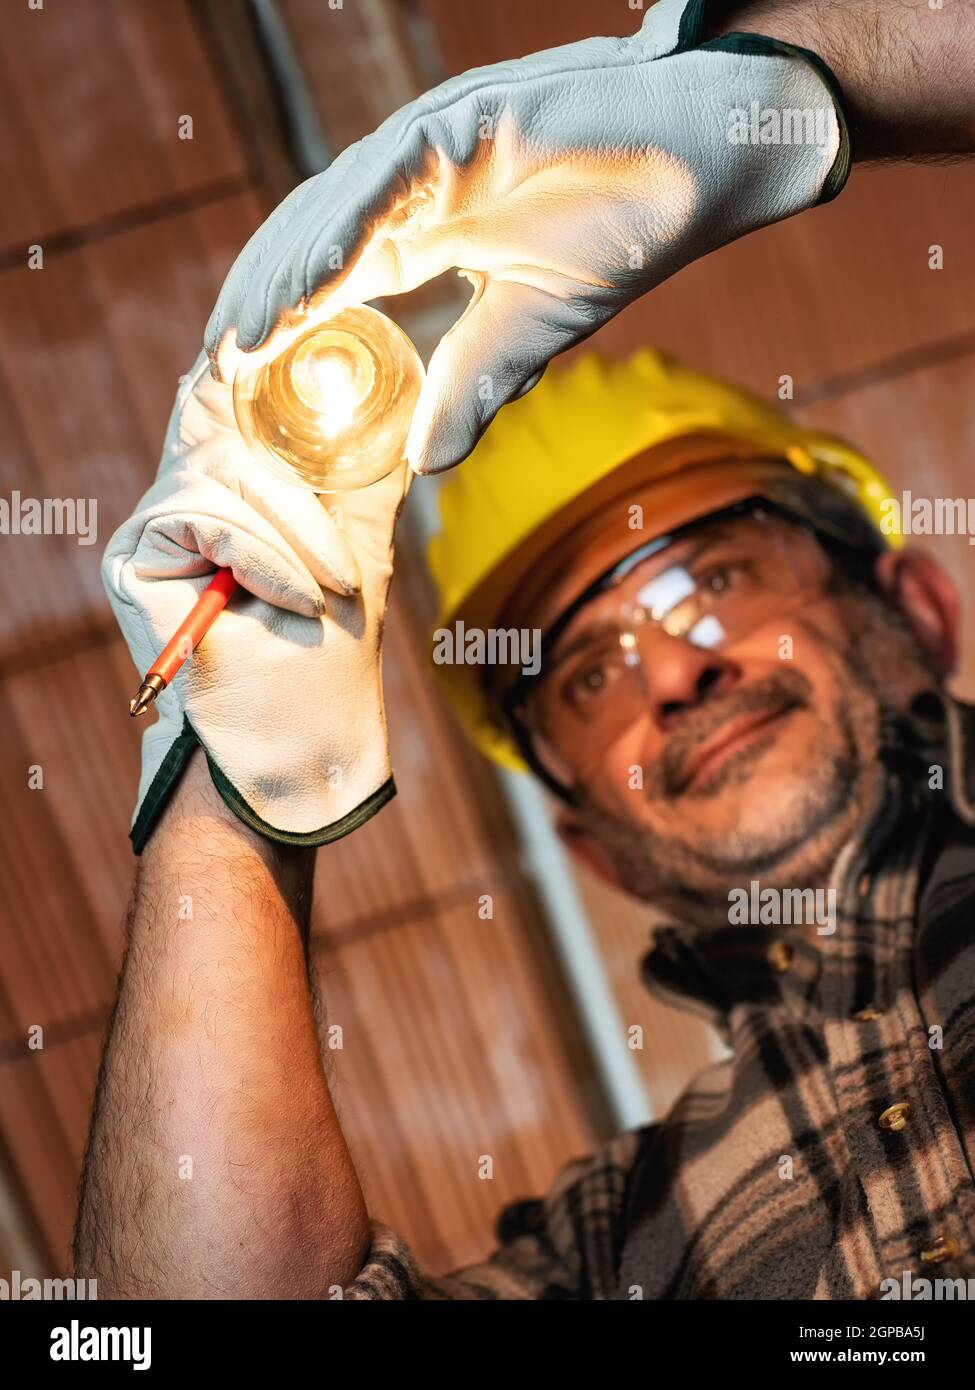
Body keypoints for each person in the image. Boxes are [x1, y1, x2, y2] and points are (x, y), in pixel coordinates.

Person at [76, 0, 975, 1298]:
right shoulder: (611, 1253)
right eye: (590, 672)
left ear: (919, 607)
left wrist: (792, 91)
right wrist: (224, 773)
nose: (674, 672)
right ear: (586, 838)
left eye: (715, 576)